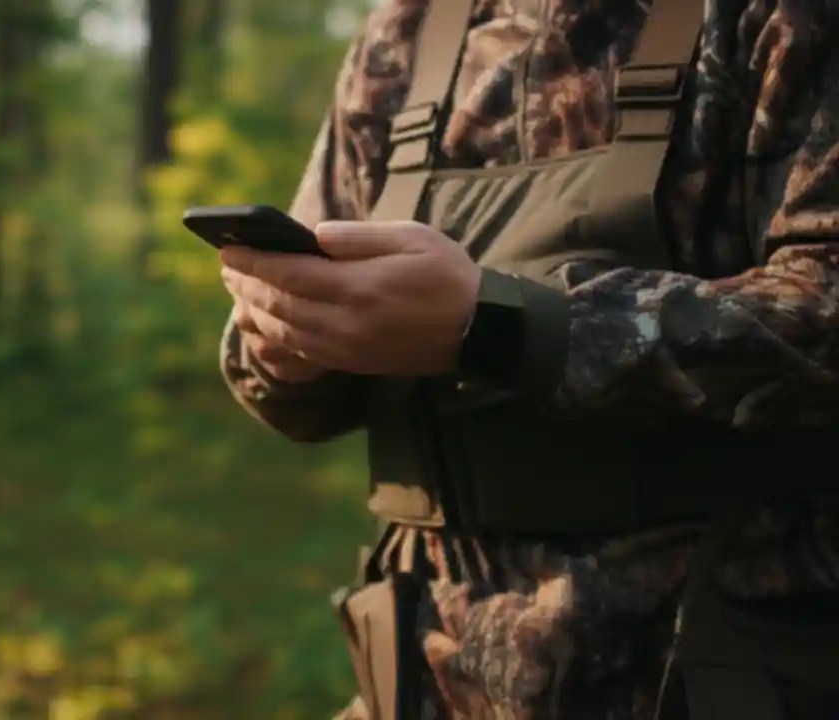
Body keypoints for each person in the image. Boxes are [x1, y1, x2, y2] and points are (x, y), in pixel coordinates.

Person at [216, 1, 839, 718]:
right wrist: (285, 339)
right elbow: (273, 373)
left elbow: (823, 307)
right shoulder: (407, 28)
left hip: (714, 671)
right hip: (424, 683)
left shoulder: (777, 17)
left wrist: (502, 328)